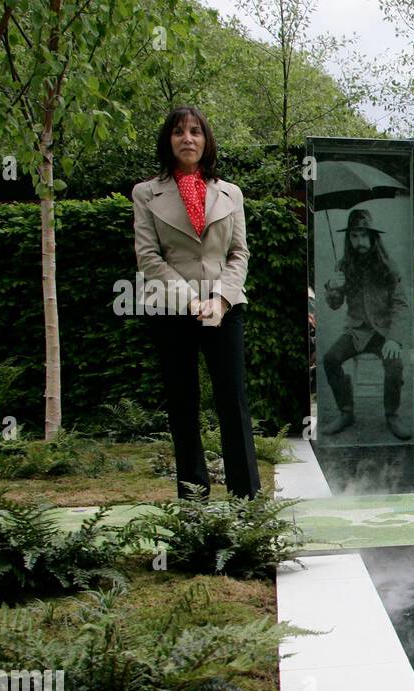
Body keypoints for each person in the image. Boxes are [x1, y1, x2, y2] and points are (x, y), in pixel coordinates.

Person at [132, 106, 257, 499]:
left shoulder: (231, 193)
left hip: (225, 308)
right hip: (172, 309)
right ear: (168, 140)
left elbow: (240, 254)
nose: (188, 139)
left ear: (207, 140)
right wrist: (190, 300)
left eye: (196, 131)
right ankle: (194, 501)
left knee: (232, 400)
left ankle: (246, 500)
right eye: (179, 132)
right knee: (183, 404)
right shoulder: (145, 193)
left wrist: (219, 299)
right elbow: (149, 257)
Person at [321, 208, 413, 440]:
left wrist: (393, 338)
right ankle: (346, 411)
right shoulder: (344, 266)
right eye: (354, 236)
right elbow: (334, 304)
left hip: (383, 332)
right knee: (330, 360)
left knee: (394, 366)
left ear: (372, 237)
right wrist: (333, 287)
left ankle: (392, 414)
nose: (359, 241)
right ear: (348, 238)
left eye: (363, 235)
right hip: (356, 332)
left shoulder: (388, 266)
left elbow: (401, 305)